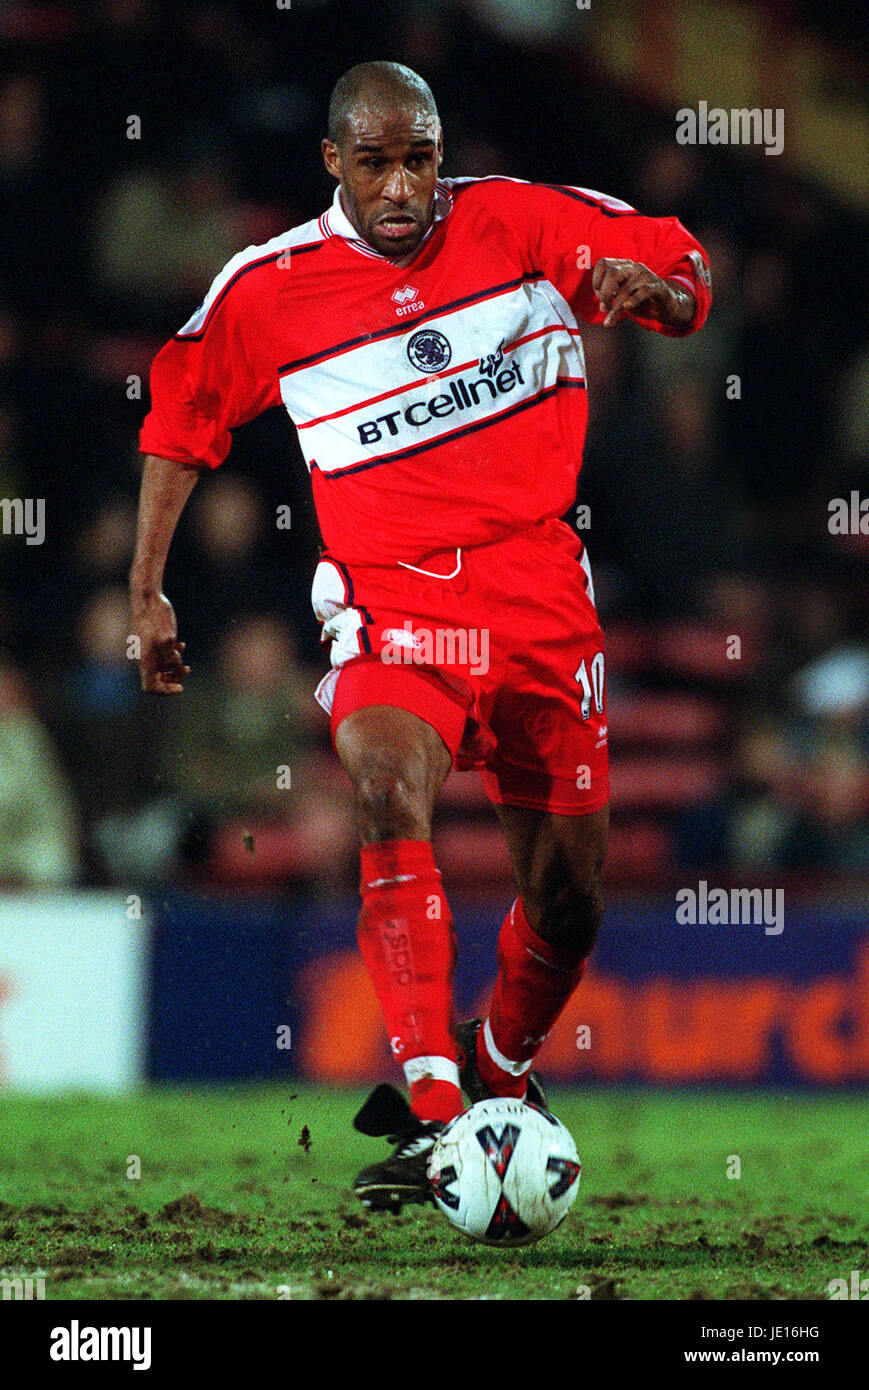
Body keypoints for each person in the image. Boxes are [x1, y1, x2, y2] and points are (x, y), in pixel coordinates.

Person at [131, 61, 711, 1210]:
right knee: (386, 786)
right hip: (391, 606)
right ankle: (439, 1108)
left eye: (420, 159)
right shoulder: (270, 287)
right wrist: (146, 589)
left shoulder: (517, 217)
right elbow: (180, 417)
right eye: (377, 161)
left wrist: (667, 299)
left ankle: (497, 1068)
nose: (402, 186)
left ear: (440, 155)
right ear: (332, 163)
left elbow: (679, 263)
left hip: (539, 599)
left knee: (569, 899)